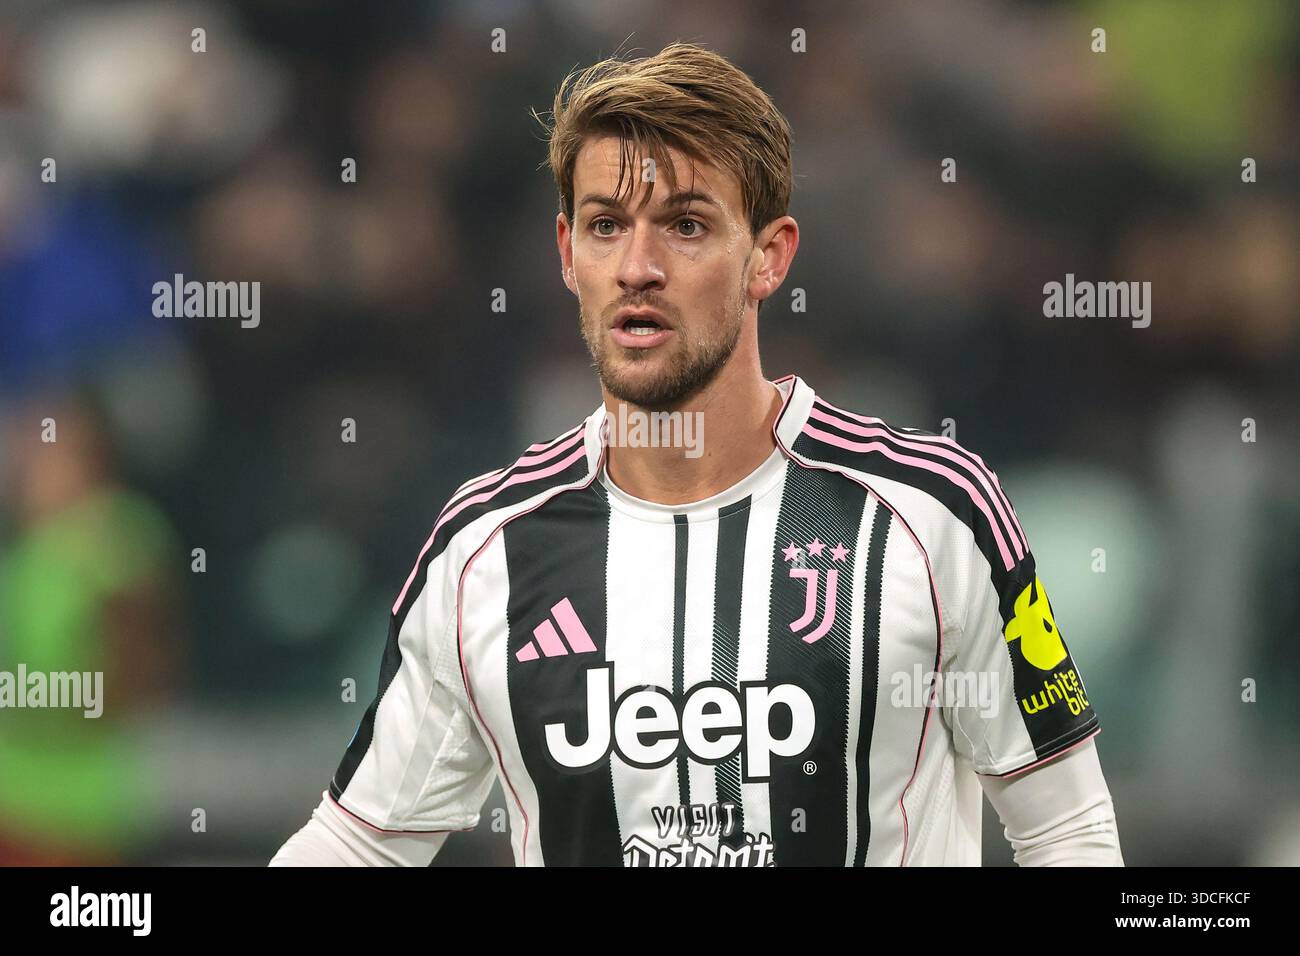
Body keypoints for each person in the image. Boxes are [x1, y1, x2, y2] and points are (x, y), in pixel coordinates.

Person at [272, 41, 1121, 867]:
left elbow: (1066, 830)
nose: (638, 266)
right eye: (606, 225)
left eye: (684, 224)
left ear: (768, 256)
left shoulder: (931, 512)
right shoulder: (485, 548)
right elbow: (361, 842)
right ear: (568, 255)